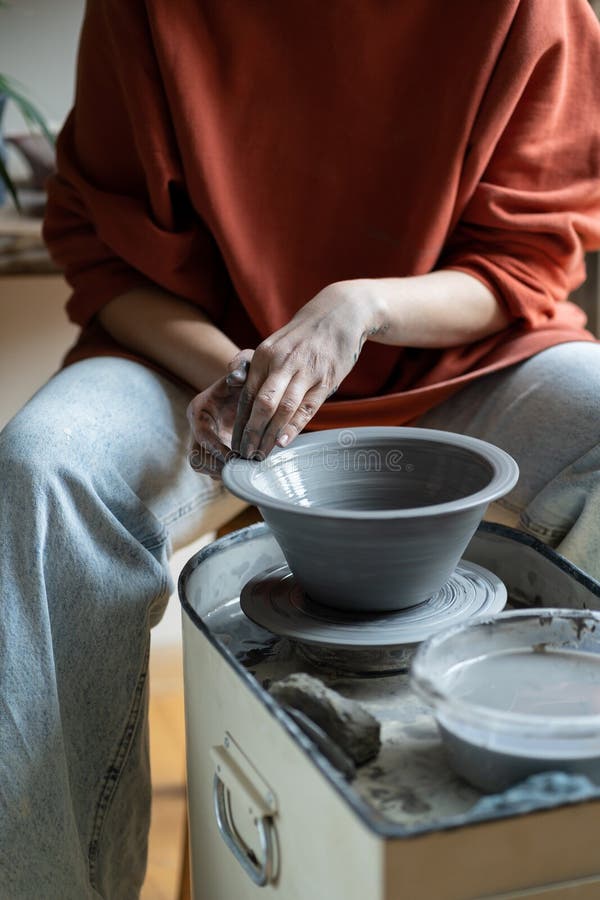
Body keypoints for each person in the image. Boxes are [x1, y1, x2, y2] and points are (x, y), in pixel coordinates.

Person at [1, 1, 599, 896]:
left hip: (457, 353)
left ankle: (553, 841)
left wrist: (360, 308)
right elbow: (105, 261)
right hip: (198, 358)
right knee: (42, 470)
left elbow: (525, 261)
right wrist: (247, 376)